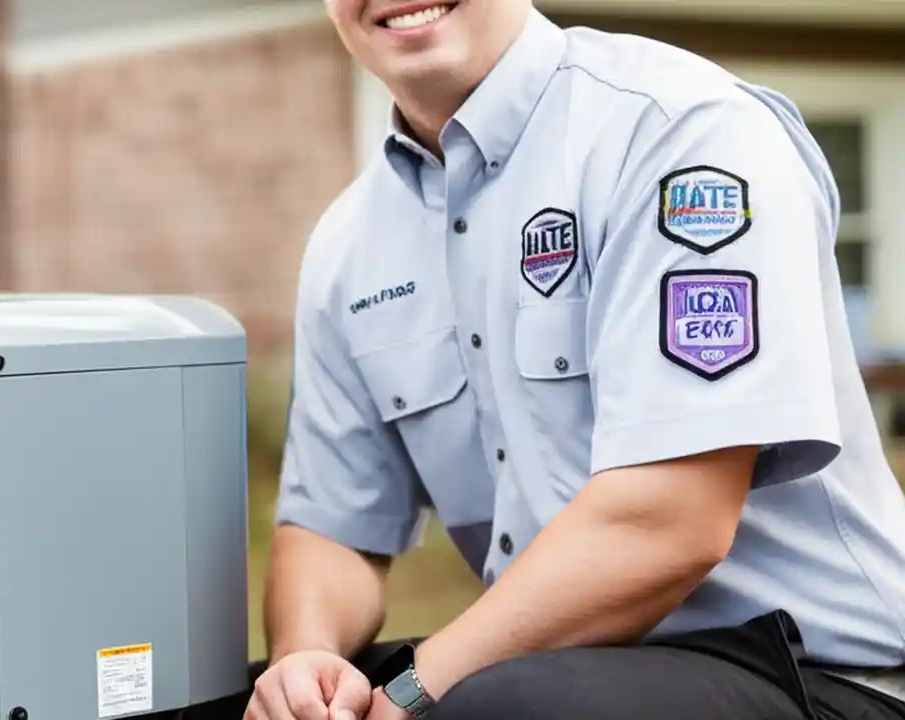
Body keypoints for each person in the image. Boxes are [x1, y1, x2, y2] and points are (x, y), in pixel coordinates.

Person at [219, 1, 905, 718]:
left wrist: (412, 691)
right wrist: (304, 667)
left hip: (817, 674)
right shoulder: (349, 244)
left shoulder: (678, 130)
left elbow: (670, 524)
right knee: (194, 701)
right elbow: (332, 529)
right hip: (558, 667)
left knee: (502, 705)